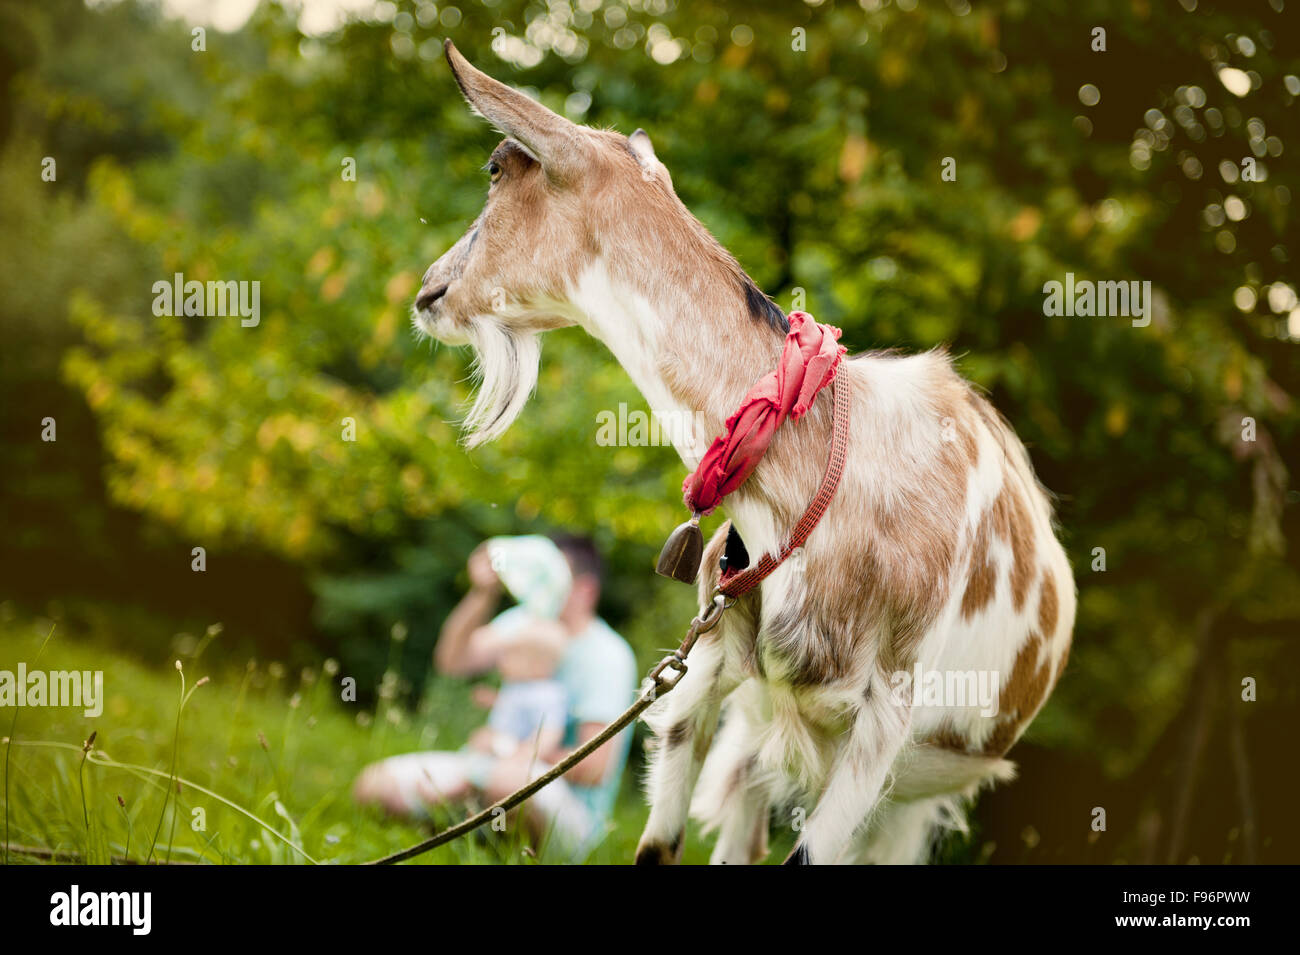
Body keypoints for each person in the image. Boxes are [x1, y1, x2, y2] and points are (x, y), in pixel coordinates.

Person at [354, 534, 637, 860]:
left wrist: (505, 752)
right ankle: (459, 837)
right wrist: (482, 593)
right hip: (485, 770)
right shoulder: (525, 621)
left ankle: (472, 835)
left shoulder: (606, 655)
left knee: (507, 783)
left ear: (586, 590)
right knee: (375, 785)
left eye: (552, 575)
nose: (540, 584)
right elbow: (452, 661)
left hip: (566, 811)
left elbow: (593, 769)